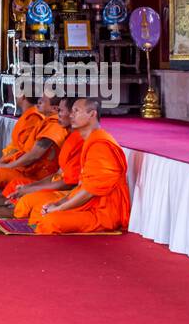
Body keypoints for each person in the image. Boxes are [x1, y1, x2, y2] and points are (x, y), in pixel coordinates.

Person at [32, 96, 130, 235]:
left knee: (50, 221)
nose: (71, 115)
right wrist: (58, 203)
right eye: (71, 111)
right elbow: (82, 186)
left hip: (103, 213)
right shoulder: (90, 140)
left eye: (76, 111)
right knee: (41, 211)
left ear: (92, 114)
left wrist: (61, 208)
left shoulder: (101, 144)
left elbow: (90, 191)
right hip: (88, 205)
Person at [12, 96, 84, 223]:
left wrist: (32, 189)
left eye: (61, 111)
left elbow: (70, 183)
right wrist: (31, 187)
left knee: (31, 207)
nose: (58, 114)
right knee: (21, 195)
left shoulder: (86, 140)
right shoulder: (71, 137)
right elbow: (59, 174)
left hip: (75, 193)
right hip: (55, 182)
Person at [0, 91, 66, 198]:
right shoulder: (45, 122)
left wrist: (6, 166)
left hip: (40, 175)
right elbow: (18, 148)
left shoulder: (54, 126)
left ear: (55, 109)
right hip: (29, 170)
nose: (38, 101)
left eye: (43, 100)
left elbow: (34, 155)